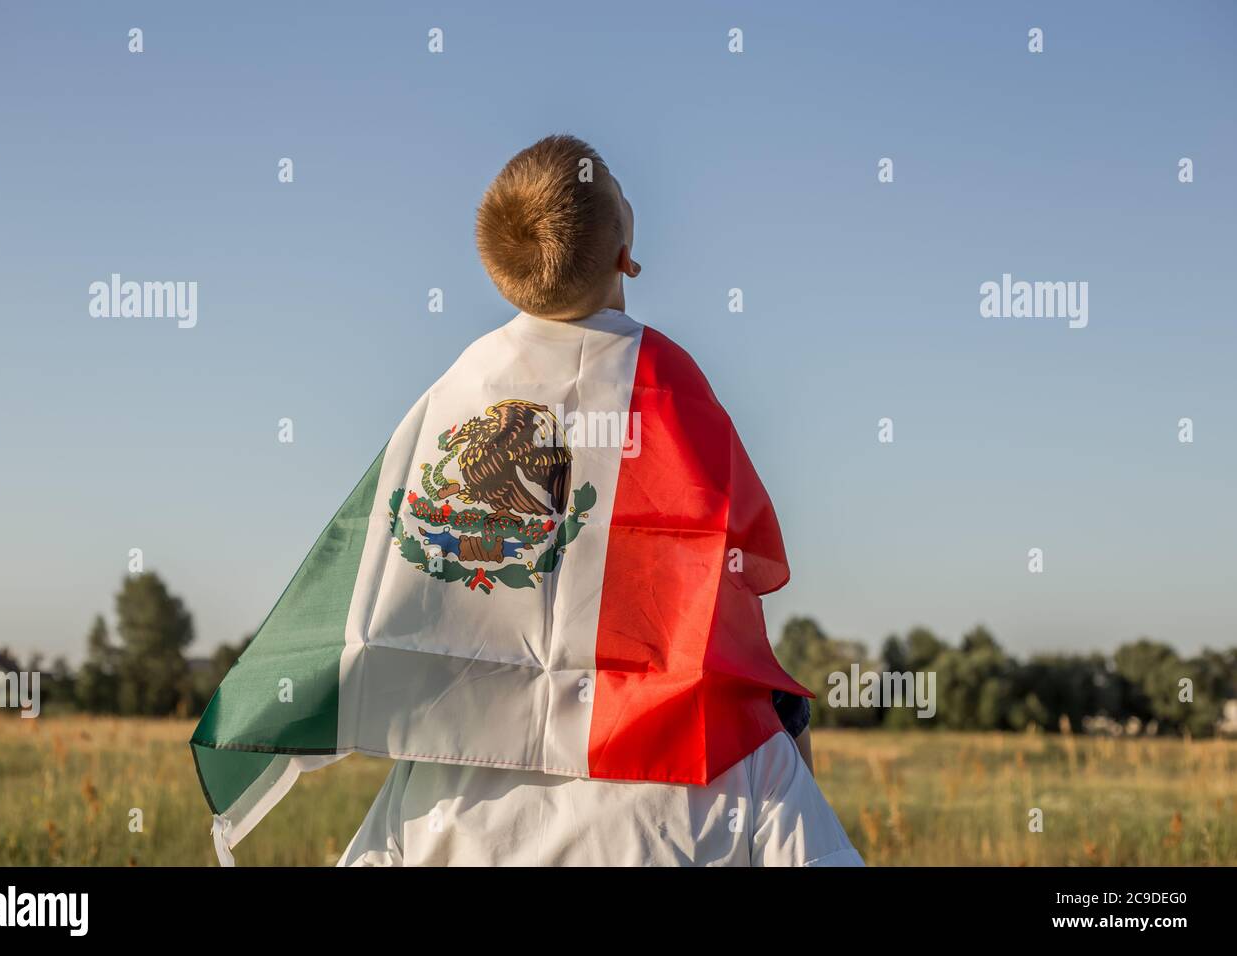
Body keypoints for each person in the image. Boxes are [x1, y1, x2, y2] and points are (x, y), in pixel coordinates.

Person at [328, 135, 861, 866]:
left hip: (476, 699)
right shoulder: (669, 382)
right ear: (627, 254)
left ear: (502, 277)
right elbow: (725, 556)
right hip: (671, 715)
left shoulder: (457, 391)